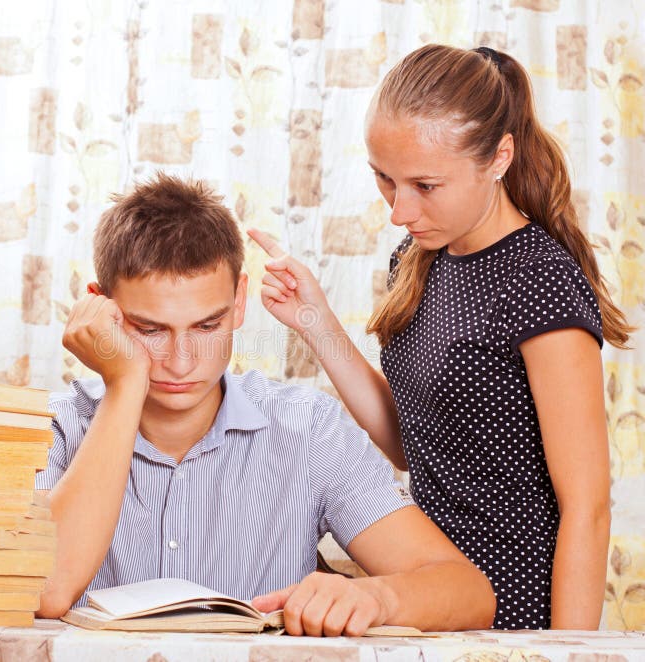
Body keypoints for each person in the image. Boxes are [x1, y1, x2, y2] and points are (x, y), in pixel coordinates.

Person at [248, 44, 631, 630]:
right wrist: (315, 322)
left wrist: (565, 652)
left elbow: (588, 508)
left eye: (425, 185)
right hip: (428, 600)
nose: (400, 210)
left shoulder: (539, 280)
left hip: (515, 619)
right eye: (385, 179)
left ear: (499, 158)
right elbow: (413, 445)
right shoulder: (420, 254)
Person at [34, 172, 496, 635]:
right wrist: (125, 383)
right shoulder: (51, 429)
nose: (180, 362)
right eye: (150, 330)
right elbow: (47, 590)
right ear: (101, 309)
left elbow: (469, 593)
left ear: (239, 300)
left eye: (206, 326)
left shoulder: (309, 428)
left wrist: (375, 596)